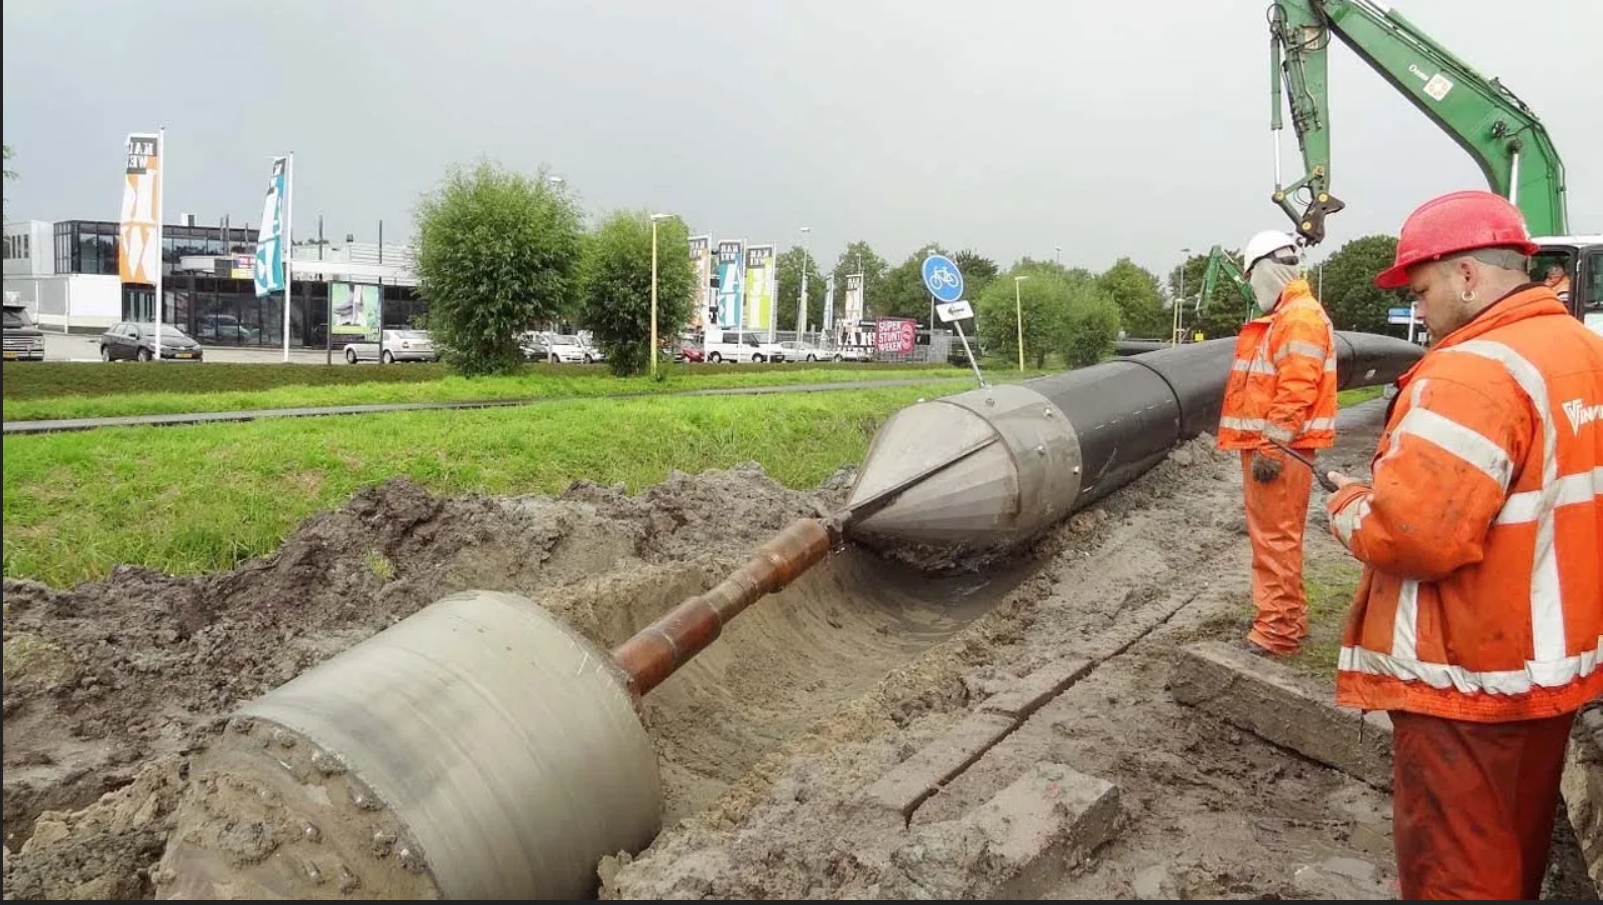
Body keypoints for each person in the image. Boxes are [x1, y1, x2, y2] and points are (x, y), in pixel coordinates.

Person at [1322, 189, 1603, 900]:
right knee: (1513, 847)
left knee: (1455, 872)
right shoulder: (1579, 350)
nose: (1419, 311)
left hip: (1466, 676)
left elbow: (1413, 535)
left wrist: (1350, 504)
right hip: (1549, 664)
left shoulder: (1471, 367)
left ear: (1466, 276)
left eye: (1420, 291)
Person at [1216, 229, 1339, 656]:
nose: (1253, 288)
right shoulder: (1291, 314)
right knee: (1276, 538)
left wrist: (1270, 447)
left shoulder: (1297, 317)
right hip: (1277, 447)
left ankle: (1277, 631)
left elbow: (1297, 388)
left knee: (1275, 541)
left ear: (1267, 270)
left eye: (1251, 278)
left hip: (1279, 451)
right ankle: (1287, 620)